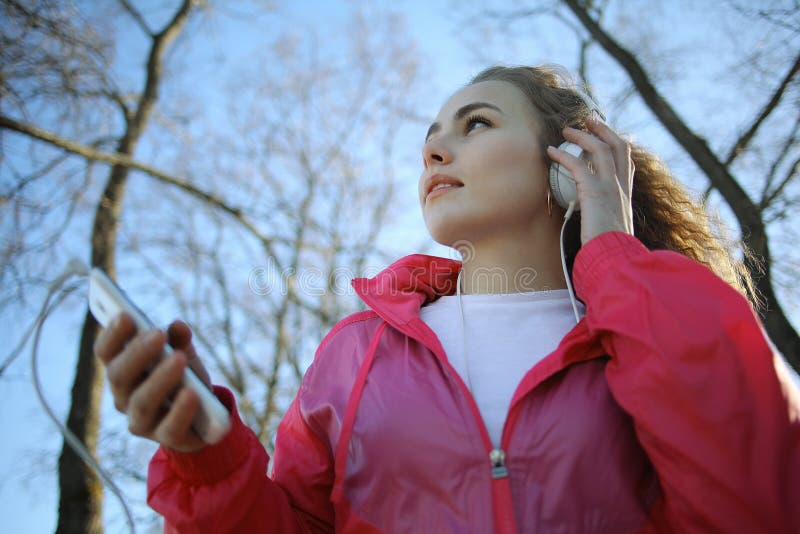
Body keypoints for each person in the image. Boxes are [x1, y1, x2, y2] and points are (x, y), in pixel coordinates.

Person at [95, 65, 800, 533]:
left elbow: (753, 498)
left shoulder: (641, 330)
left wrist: (614, 251)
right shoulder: (355, 352)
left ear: (571, 161)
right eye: (430, 138)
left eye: (477, 125)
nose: (434, 153)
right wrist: (211, 461)